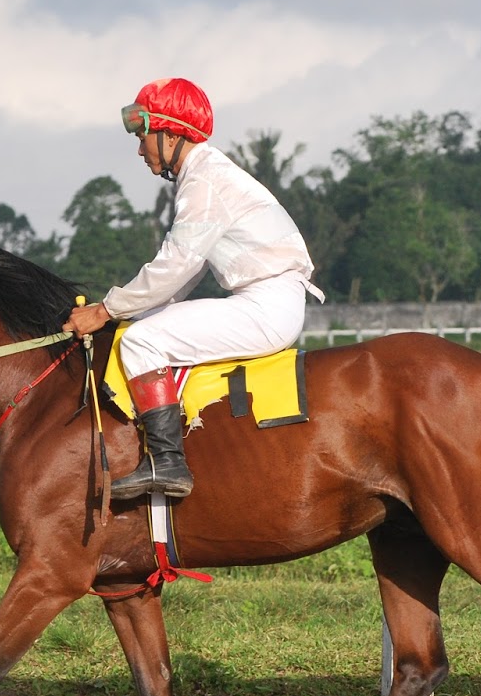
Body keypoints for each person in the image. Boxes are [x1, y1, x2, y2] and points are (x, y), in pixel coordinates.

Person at [64, 77, 322, 499]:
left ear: (169, 132)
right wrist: (132, 310)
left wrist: (105, 310)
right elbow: (186, 273)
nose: (139, 148)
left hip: (267, 306)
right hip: (267, 300)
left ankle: (167, 464)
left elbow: (174, 267)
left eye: (143, 134)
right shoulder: (205, 174)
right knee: (143, 326)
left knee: (141, 341)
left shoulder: (205, 182)